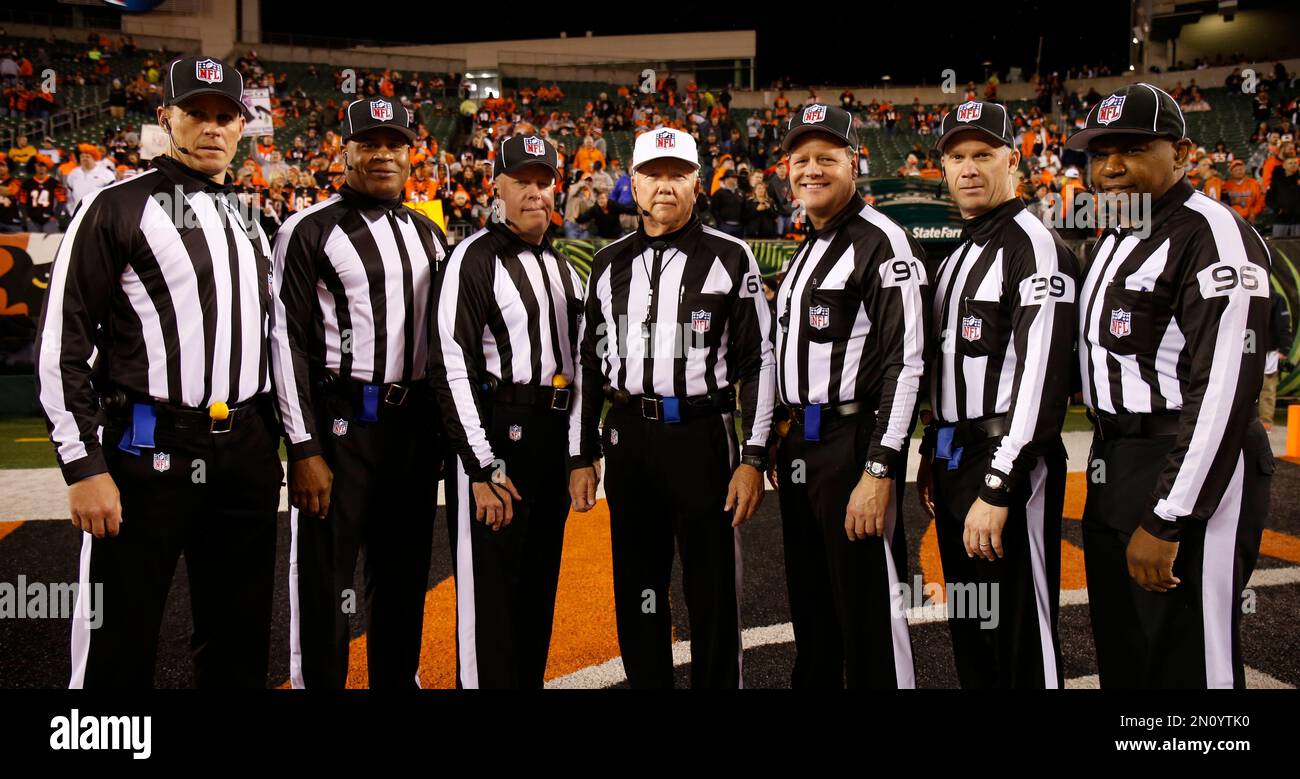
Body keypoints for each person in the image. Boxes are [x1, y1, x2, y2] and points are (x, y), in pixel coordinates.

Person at [35, 55, 282, 689]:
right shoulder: (116, 206)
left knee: (240, 636)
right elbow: (61, 341)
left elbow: (274, 339)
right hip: (146, 446)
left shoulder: (254, 217)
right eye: (195, 113)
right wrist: (84, 466)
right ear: (165, 118)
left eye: (225, 116)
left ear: (241, 127)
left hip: (245, 449)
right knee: (119, 634)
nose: (211, 128)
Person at [1067, 84, 1273, 689]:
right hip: (1115, 457)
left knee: (1188, 657)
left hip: (1185, 461)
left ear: (1180, 152)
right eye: (1098, 152)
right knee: (1126, 649)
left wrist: (1170, 515)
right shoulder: (1114, 234)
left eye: (1131, 149)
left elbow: (1225, 388)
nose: (1109, 167)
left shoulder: (1214, 234)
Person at [572, 126, 776, 688]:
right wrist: (581, 452)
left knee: (711, 590)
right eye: (652, 174)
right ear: (632, 183)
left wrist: (753, 456)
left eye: (677, 174)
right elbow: (589, 361)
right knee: (638, 586)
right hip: (630, 437)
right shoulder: (607, 262)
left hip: (703, 437)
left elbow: (759, 361)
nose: (665, 186)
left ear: (696, 182)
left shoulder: (732, 257)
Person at [270, 97, 450, 689]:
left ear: (410, 152)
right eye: (368, 143)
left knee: (403, 575)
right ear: (343, 150)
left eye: (394, 143)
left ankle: (397, 681)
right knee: (325, 577)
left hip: (414, 429)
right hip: (342, 423)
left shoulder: (429, 232)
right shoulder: (308, 229)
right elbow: (286, 341)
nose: (382, 155)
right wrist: (303, 447)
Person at [920, 101, 1078, 688]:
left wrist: (1001, 481)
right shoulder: (958, 255)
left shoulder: (1032, 244)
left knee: (1019, 631)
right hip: (958, 455)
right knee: (972, 625)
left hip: (1008, 460)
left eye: (983, 155)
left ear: (1014, 160)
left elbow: (1043, 377)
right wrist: (935, 453)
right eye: (956, 156)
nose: (968, 168)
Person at [770, 104, 928, 688]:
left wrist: (881, 467)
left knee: (868, 608)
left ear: (854, 164)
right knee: (812, 604)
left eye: (827, 158)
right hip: (803, 442)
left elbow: (905, 362)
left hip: (852, 441)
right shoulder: (808, 245)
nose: (812, 170)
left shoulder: (883, 240)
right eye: (801, 159)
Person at [429, 134, 586, 689]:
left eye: (545, 182)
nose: (536, 193)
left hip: (550, 434)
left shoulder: (565, 267)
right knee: (488, 600)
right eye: (522, 181)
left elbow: (582, 367)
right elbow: (450, 363)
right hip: (498, 436)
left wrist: (578, 454)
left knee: (537, 588)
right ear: (495, 185)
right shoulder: (472, 257)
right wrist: (480, 466)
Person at [64, 147, 114, 215]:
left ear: (94, 158)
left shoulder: (106, 173)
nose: (84, 158)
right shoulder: (73, 174)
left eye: (87, 156)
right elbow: (69, 195)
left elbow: (111, 195)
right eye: (82, 156)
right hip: (78, 212)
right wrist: (71, 211)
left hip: (99, 213)